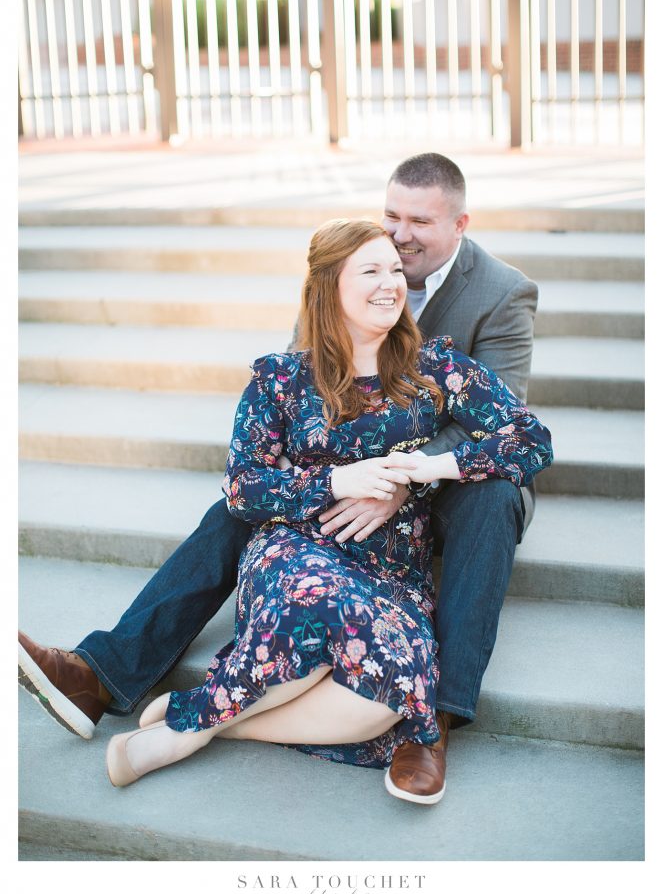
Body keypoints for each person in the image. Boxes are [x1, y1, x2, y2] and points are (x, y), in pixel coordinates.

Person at [18, 153, 539, 802]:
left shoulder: (499, 295)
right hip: (336, 494)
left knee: (494, 494)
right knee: (239, 506)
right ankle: (100, 674)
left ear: (459, 224)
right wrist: (335, 479)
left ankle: (433, 724)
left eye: (419, 223)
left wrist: (403, 476)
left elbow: (501, 423)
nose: (400, 236)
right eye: (391, 217)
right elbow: (302, 394)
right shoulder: (328, 299)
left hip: (445, 480)